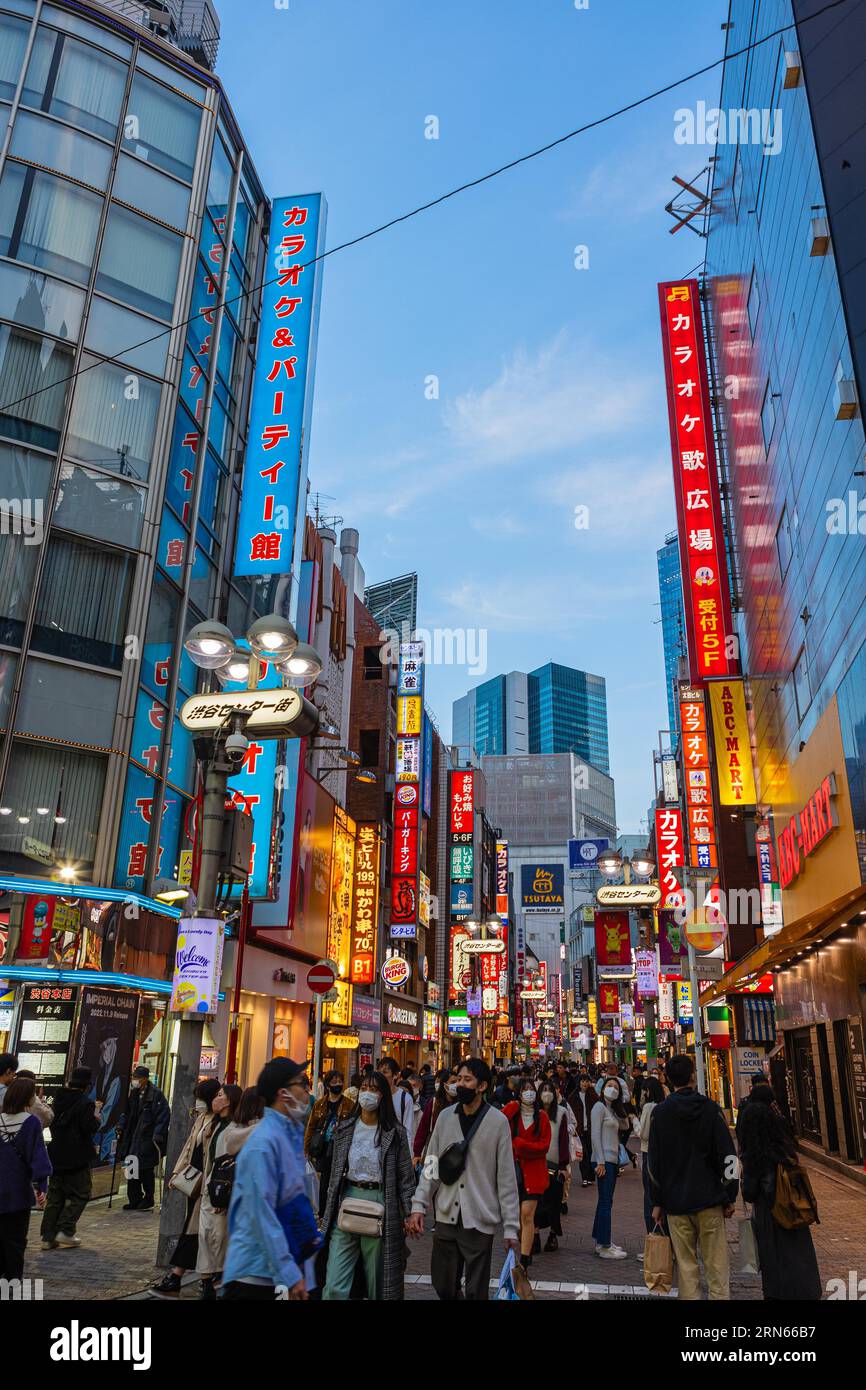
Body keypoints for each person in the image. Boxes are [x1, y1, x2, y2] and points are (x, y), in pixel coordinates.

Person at [408, 1057, 520, 1300]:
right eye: (458, 1079)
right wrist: (419, 1205)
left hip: (480, 1218)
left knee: (476, 1290)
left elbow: (506, 1179)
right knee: (443, 1284)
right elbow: (431, 1165)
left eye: (467, 1080)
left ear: (482, 1086)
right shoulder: (445, 1117)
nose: (459, 1084)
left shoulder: (498, 1122)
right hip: (446, 1215)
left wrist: (511, 1227)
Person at [221, 1058, 317, 1300]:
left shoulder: (288, 1135)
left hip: (279, 1270)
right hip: (254, 1276)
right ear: (284, 1094)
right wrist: (290, 1274)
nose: (307, 1091)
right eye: (302, 1084)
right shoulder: (263, 1144)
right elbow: (262, 1214)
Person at [648, 1052, 738, 1300]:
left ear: (667, 1079)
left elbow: (653, 1164)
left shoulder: (660, 1114)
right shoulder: (711, 1110)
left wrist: (657, 1201)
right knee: (717, 1267)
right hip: (710, 1200)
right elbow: (729, 1157)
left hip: (676, 1204)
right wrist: (730, 1194)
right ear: (693, 1077)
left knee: (687, 1269)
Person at [319, 1070, 415, 1300]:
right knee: (334, 1282)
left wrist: (410, 1212)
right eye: (364, 1088)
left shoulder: (395, 1133)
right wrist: (326, 1212)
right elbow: (334, 1176)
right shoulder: (345, 1128)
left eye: (374, 1090)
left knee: (378, 1282)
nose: (367, 1094)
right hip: (348, 1199)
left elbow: (406, 1177)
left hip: (380, 1202)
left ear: (383, 1096)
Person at [738, 1084, 821, 1300]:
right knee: (798, 1257)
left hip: (769, 1214)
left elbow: (749, 1192)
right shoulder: (784, 1147)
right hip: (794, 1210)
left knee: (774, 1263)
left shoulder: (755, 1156)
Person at [151, 1077, 222, 1296]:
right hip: (194, 1181)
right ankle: (203, 1281)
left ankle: (179, 1277)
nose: (198, 1102)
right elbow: (188, 1147)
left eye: (201, 1098)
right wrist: (176, 1173)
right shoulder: (202, 1118)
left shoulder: (220, 1122)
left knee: (195, 1231)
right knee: (197, 1231)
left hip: (207, 1185)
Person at [41, 1066, 100, 1250]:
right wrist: (97, 1115)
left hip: (56, 1153)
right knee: (82, 1192)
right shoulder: (86, 1103)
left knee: (55, 1195)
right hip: (77, 1156)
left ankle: (48, 1236)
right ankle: (65, 1230)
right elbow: (88, 1127)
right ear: (85, 1086)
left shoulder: (58, 1100)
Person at [0, 1076, 52, 1280]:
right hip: (17, 1193)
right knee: (15, 1242)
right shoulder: (31, 1123)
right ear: (27, 1097)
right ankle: (11, 1284)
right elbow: (38, 1158)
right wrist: (42, 1188)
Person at [196, 1082, 243, 1298]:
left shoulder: (234, 1128)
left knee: (217, 1236)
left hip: (220, 1191)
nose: (216, 1098)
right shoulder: (214, 1124)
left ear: (229, 1101)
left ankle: (217, 1281)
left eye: (220, 1095)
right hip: (210, 1186)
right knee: (206, 1235)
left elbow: (228, 1165)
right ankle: (207, 1281)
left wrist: (222, 1197)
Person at [503, 1077, 551, 1275]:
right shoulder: (512, 1115)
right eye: (525, 1089)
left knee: (527, 1214)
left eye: (532, 1089)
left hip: (535, 1174)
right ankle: (525, 1249)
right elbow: (499, 1122)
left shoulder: (542, 1117)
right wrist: (513, 1106)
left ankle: (524, 1259)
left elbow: (544, 1146)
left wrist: (520, 1145)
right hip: (514, 1173)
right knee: (518, 1217)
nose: (529, 1092)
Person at [117, 1064, 170, 1211]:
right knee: (131, 1167)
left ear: (145, 1079)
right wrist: (121, 1125)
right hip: (132, 1137)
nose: (135, 1080)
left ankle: (148, 1198)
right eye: (134, 1077)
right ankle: (134, 1198)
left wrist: (157, 1135)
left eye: (137, 1078)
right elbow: (126, 1113)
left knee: (145, 1169)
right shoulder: (133, 1094)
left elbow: (163, 1116)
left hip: (147, 1137)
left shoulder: (156, 1095)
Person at [590, 1075, 631, 1259]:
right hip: (603, 1160)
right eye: (609, 1085)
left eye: (616, 1087)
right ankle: (604, 1245)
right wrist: (599, 1161)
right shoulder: (598, 1107)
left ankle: (601, 1239)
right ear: (602, 1088)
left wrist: (622, 1107)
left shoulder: (611, 1110)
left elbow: (625, 1125)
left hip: (613, 1160)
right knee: (606, 1202)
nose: (612, 1089)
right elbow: (595, 1135)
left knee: (607, 1201)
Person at [304, 1070, 355, 1216]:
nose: (338, 1084)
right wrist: (306, 1148)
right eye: (334, 1082)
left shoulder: (349, 1104)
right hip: (323, 1148)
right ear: (327, 1085)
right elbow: (311, 1126)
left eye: (340, 1081)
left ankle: (334, 1212)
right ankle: (322, 1213)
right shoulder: (320, 1104)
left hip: (340, 1148)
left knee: (338, 1180)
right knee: (324, 1181)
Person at [533, 1079, 570, 1252]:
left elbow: (564, 1140)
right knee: (536, 1202)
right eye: (544, 1090)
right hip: (535, 1164)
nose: (547, 1093)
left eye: (550, 1090)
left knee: (553, 1203)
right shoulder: (533, 1113)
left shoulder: (561, 1112)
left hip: (555, 1165)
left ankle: (553, 1235)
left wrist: (564, 1166)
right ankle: (534, 1234)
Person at [637, 1076, 666, 1235]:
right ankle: (664, 1236)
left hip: (649, 1153)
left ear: (648, 1091)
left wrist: (635, 1122)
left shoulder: (648, 1107)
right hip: (662, 1155)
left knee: (649, 1197)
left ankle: (652, 1237)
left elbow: (644, 1133)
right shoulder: (664, 1105)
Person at [414, 1069, 456, 1161]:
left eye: (457, 1082)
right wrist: (417, 1153)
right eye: (453, 1082)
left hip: (454, 1151)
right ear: (445, 1084)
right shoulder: (434, 1103)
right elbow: (423, 1127)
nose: (456, 1085)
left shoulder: (461, 1104)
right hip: (434, 1150)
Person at [568, 1072, 599, 1187]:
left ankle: (591, 1177)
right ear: (579, 1083)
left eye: (587, 1081)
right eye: (582, 1081)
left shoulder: (592, 1095)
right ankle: (585, 1177)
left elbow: (598, 1104)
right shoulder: (573, 1096)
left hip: (591, 1129)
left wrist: (592, 1091)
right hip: (580, 1130)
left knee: (591, 1152)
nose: (585, 1084)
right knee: (583, 1154)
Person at [379, 1056, 415, 1148]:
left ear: (395, 1075)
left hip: (395, 1148)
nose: (381, 1076)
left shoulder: (405, 1099)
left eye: (385, 1072)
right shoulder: (375, 1096)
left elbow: (408, 1131)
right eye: (379, 1072)